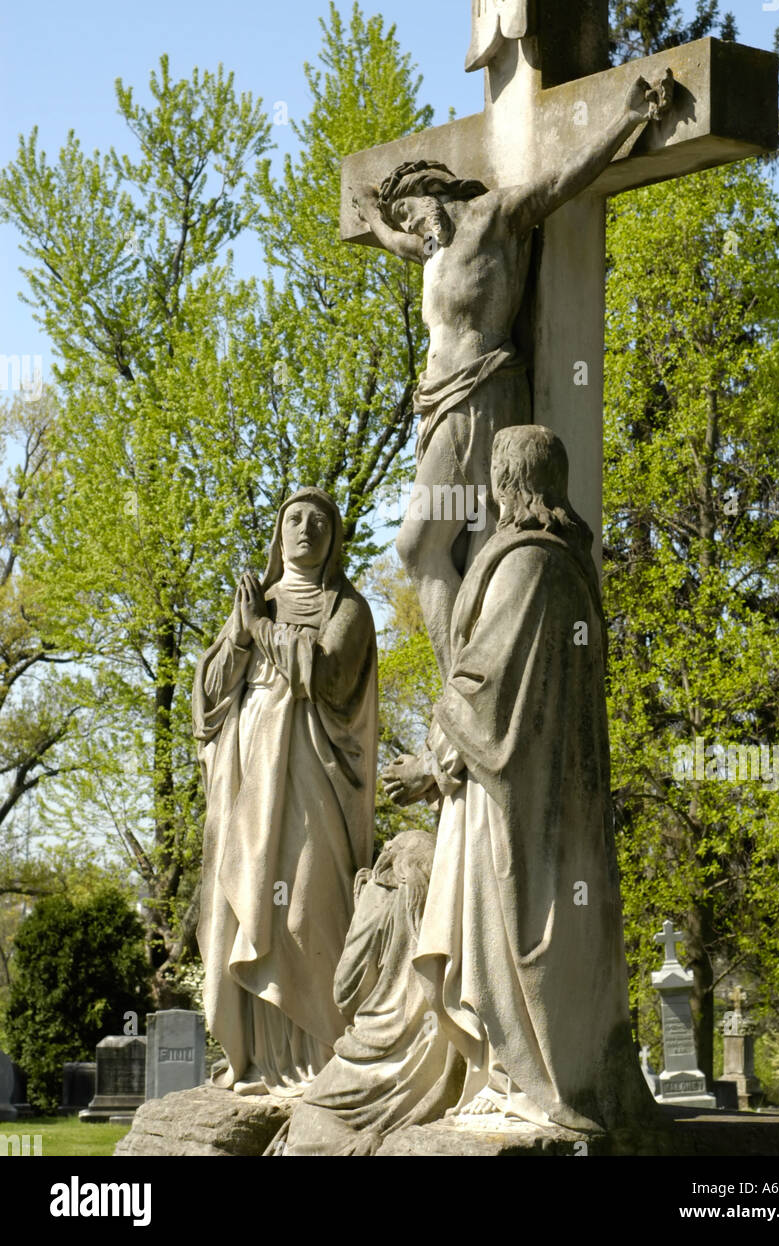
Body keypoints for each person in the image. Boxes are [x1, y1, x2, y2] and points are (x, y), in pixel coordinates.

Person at [353, 69, 674, 679]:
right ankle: (472, 687)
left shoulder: (494, 216)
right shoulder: (430, 249)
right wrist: (372, 209)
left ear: (434, 193)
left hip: (484, 391)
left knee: (421, 543)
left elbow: (562, 179)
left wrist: (628, 118)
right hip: (438, 406)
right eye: (405, 220)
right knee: (461, 544)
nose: (411, 226)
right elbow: (389, 237)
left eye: (412, 211)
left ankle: (466, 687)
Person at [383, 427, 652, 1131]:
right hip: (543, 795)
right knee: (536, 923)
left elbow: (484, 686)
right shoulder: (567, 566)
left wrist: (432, 759)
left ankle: (528, 1081)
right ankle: (523, 1074)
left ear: (507, 485)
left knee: (513, 921)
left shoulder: (528, 565)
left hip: (510, 798)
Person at [193, 488, 377, 1095]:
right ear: (278, 535)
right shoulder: (257, 603)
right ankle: (262, 1064)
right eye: (294, 519)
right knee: (256, 905)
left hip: (313, 780)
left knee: (306, 906)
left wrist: (262, 632)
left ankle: (323, 1059)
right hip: (250, 781)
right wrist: (244, 636)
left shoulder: (347, 608)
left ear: (334, 538)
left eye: (319, 520)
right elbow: (212, 701)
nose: (305, 528)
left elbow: (328, 674)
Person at [268, 831, 463, 1156]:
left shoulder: (383, 893)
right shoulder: (455, 907)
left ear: (391, 860)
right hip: (435, 1068)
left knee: (308, 1121)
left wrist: (366, 905)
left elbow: (346, 992)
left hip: (370, 1060)